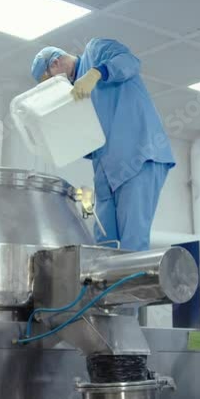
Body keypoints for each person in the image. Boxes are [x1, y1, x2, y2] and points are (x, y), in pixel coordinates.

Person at [30, 41, 174, 251]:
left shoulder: (96, 50)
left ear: (55, 63)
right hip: (106, 173)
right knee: (104, 247)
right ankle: (105, 285)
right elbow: (90, 143)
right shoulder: (75, 96)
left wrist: (97, 73)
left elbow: (130, 62)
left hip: (139, 156)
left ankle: (134, 284)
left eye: (50, 81)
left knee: (132, 243)